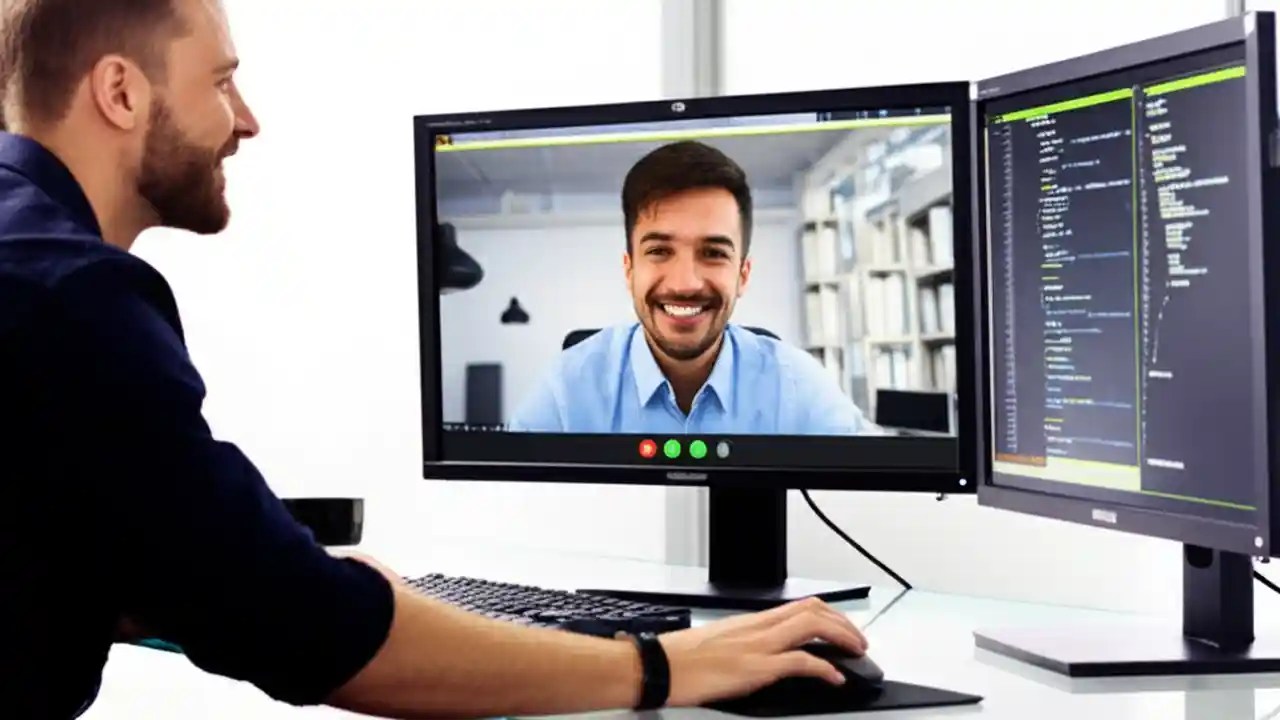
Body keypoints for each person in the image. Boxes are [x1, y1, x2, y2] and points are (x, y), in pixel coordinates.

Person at [0, 1, 870, 718]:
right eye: (223, 82)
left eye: (714, 253)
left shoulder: (28, 259)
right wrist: (664, 667)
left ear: (746, 271)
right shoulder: (73, 297)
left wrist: (191, 578)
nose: (248, 119)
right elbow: (310, 636)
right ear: (119, 90)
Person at [508, 140, 873, 435]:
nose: (685, 284)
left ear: (742, 275)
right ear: (629, 269)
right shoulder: (562, 392)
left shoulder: (800, 385)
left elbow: (879, 488)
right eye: (660, 251)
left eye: (713, 253)